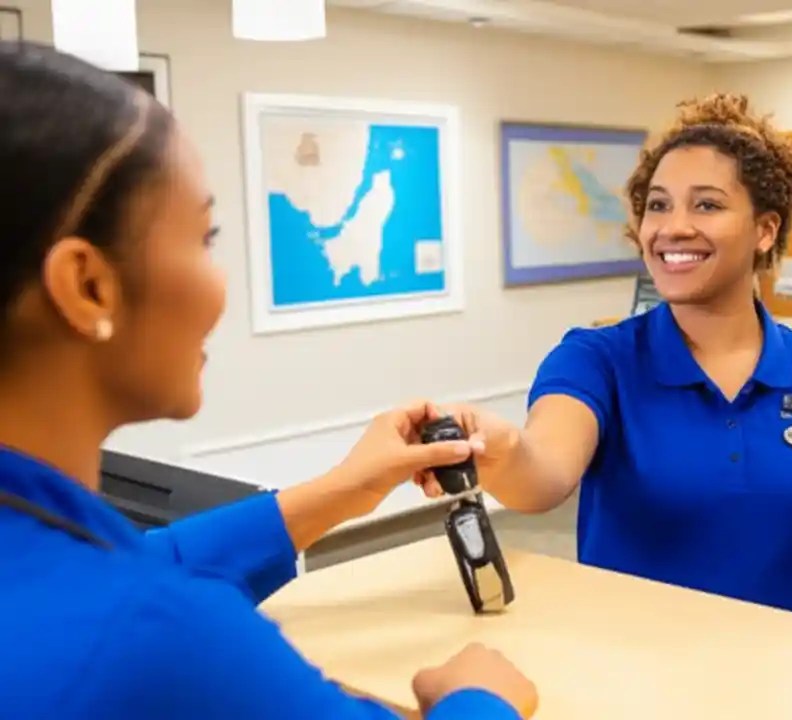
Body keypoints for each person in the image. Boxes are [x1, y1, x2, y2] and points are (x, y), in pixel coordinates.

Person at [0, 42, 536, 719]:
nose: (221, 281)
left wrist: (345, 488)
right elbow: (142, 606)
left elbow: (147, 558)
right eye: (205, 237)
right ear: (87, 286)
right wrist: (481, 699)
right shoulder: (158, 638)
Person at [424, 94, 792, 626]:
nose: (672, 227)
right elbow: (543, 476)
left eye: (707, 205)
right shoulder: (597, 360)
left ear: (765, 230)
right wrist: (502, 448)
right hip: (643, 682)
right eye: (658, 205)